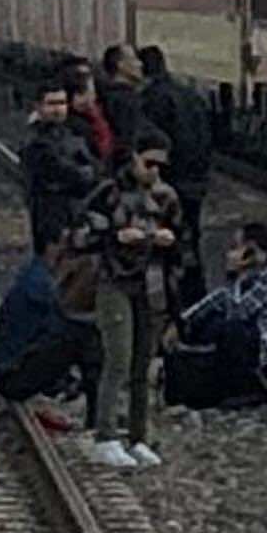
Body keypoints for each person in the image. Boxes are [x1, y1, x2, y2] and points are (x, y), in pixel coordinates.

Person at [77, 127, 182, 469]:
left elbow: (183, 245)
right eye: (149, 163)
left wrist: (169, 241)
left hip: (150, 285)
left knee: (142, 364)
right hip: (114, 281)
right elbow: (81, 233)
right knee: (118, 358)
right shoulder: (109, 192)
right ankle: (106, 434)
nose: (154, 172)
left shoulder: (167, 197)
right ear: (134, 157)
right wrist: (114, 236)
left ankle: (138, 435)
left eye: (160, 166)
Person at [167, 222, 267, 408]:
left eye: (237, 246)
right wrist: (183, 322)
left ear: (251, 249)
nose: (232, 252)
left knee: (230, 329)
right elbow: (218, 298)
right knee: (212, 319)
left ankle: (244, 388)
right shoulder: (262, 269)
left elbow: (239, 312)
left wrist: (234, 275)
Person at [0, 225, 102, 433]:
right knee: (82, 337)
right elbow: (54, 333)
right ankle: (95, 420)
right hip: (14, 377)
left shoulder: (37, 273)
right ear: (52, 246)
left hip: (11, 370)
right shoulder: (41, 286)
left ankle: (94, 413)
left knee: (80, 334)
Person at [137, 45, 213, 286]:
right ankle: (196, 291)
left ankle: (178, 299)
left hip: (172, 182)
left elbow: (153, 146)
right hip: (197, 180)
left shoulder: (151, 100)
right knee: (192, 238)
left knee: (170, 242)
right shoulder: (190, 95)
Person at [21, 79, 99, 254]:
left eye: (62, 103)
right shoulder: (35, 142)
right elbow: (62, 172)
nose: (58, 109)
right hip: (50, 217)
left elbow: (94, 168)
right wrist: (84, 172)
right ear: (39, 107)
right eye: (51, 104)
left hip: (76, 214)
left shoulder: (73, 133)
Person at [97, 45, 144, 157]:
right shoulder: (122, 100)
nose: (140, 64)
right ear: (120, 65)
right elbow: (127, 138)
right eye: (134, 59)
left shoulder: (127, 96)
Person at [67, 76, 116, 167]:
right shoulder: (73, 124)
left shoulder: (100, 113)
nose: (87, 99)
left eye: (89, 93)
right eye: (80, 94)